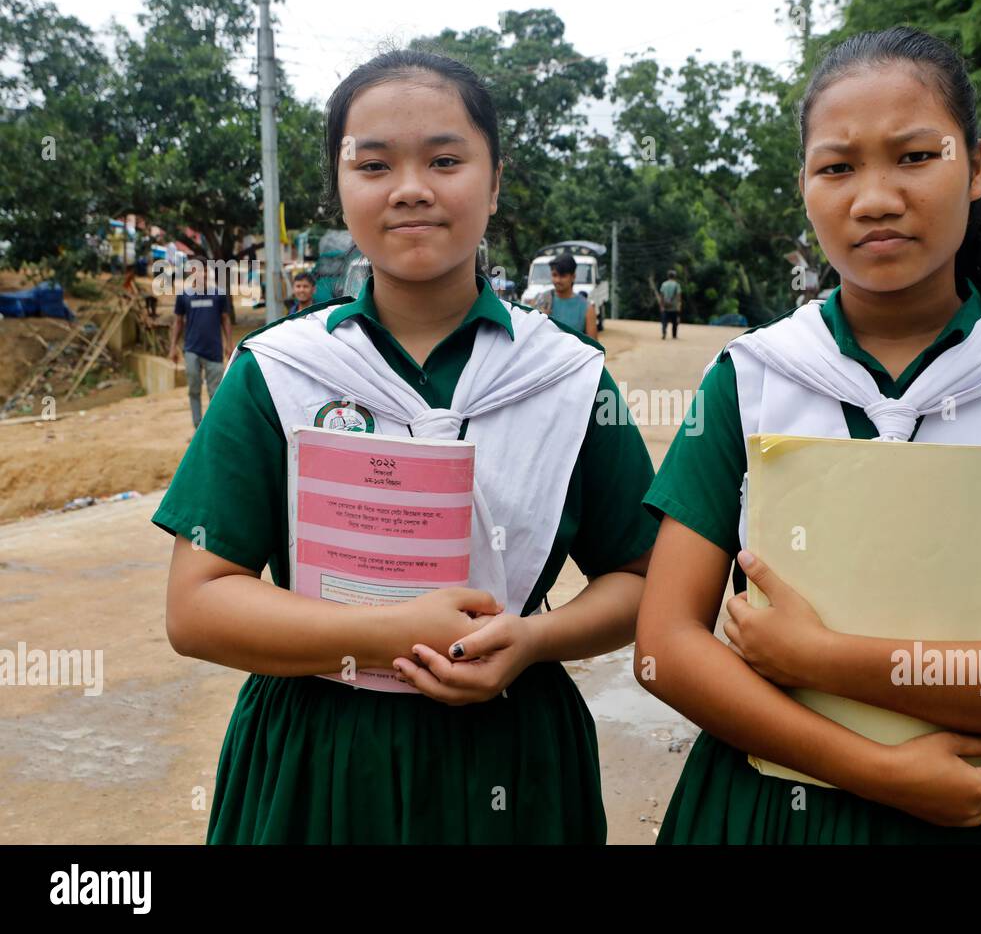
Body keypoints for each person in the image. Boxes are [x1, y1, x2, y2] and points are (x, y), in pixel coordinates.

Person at [636, 26, 981, 844]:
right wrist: (873, 769)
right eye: (837, 166)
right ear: (802, 186)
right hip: (766, 808)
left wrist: (824, 659)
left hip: (979, 810)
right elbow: (662, 645)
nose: (873, 198)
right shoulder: (754, 377)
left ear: (976, 168)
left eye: (915, 156)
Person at [150, 49, 658, 843]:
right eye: (375, 163)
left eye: (446, 159)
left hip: (510, 754)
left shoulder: (564, 379)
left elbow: (640, 575)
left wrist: (533, 638)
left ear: (493, 183)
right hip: (320, 759)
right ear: (341, 189)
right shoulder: (280, 373)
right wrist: (382, 633)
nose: (412, 187)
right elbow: (198, 605)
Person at [167, 259, 234, 429]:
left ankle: (213, 428)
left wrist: (229, 343)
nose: (201, 274)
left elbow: (225, 319)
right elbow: (178, 322)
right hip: (192, 350)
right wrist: (173, 346)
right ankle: (198, 427)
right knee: (194, 390)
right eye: (197, 270)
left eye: (204, 270)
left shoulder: (219, 294)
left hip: (214, 350)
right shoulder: (184, 295)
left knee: (215, 393)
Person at [534, 253, 597, 338]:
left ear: (573, 277)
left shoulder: (586, 308)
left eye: (563, 276)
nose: (557, 280)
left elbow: (593, 347)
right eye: (554, 275)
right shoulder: (542, 300)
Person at [658, 270, 682, 339]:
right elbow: (678, 296)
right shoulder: (677, 285)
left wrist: (661, 305)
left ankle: (664, 332)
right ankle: (674, 335)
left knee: (664, 321)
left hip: (665, 305)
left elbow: (661, 295)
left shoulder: (664, 284)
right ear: (675, 276)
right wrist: (679, 305)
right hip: (674, 306)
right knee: (674, 322)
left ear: (668, 276)